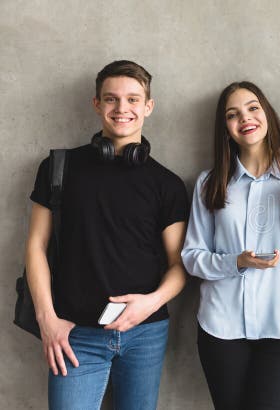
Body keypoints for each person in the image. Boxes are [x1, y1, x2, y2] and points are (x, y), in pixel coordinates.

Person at [24, 60, 189, 409]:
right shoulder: (58, 167)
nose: (122, 108)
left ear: (148, 106)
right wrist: (47, 321)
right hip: (74, 334)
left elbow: (179, 266)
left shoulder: (167, 184)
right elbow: (36, 247)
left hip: (146, 333)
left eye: (133, 99)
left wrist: (151, 302)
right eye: (111, 99)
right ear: (97, 104)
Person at [181, 81, 280, 409]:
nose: (244, 118)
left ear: (267, 114)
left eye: (252, 108)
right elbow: (191, 257)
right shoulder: (210, 183)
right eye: (233, 115)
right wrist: (237, 261)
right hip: (221, 326)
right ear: (226, 128)